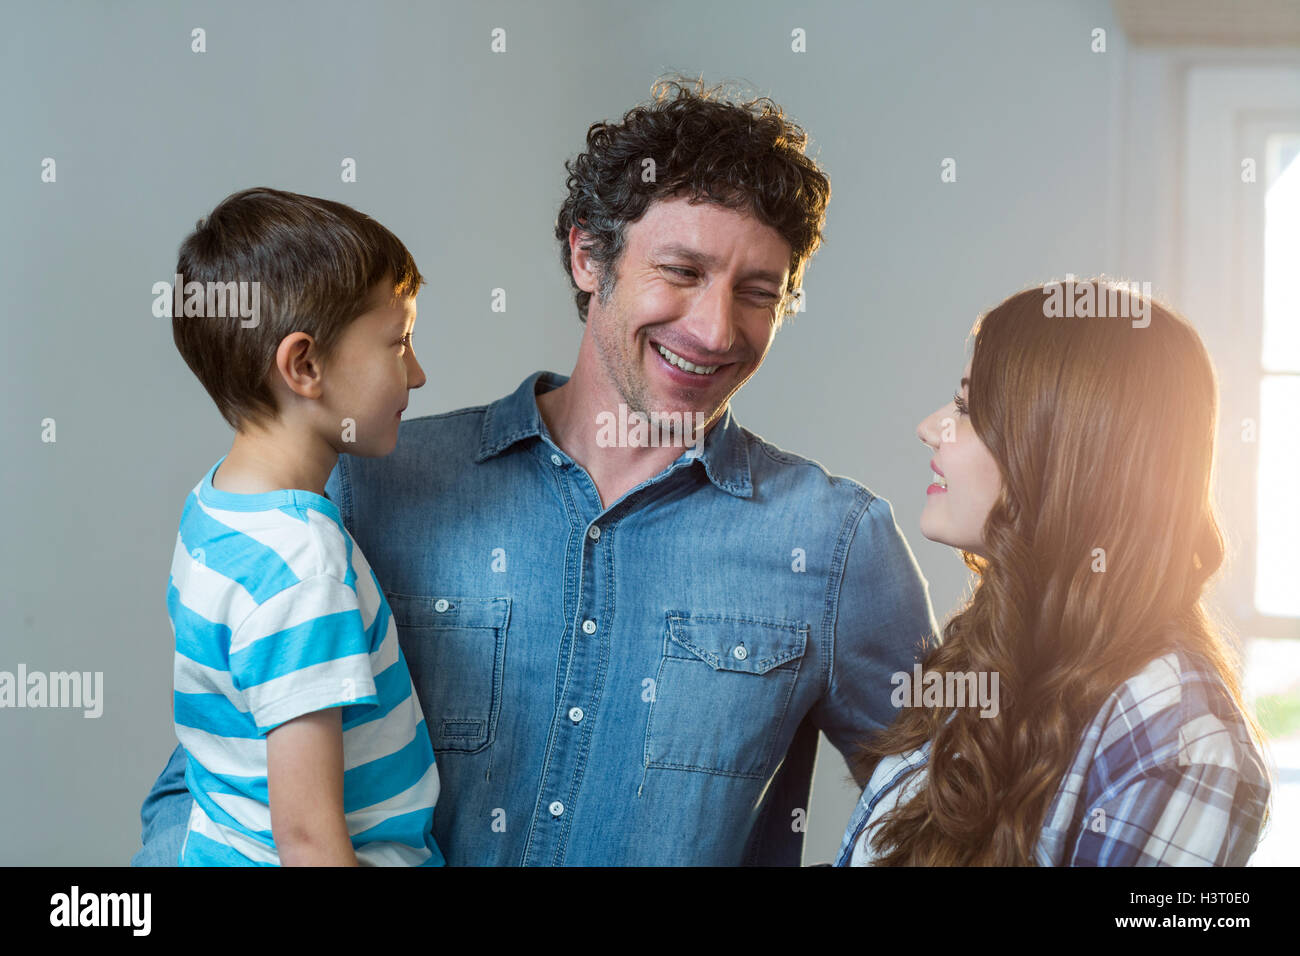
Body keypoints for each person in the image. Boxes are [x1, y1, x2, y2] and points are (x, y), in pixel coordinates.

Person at [133, 77, 940, 866]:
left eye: (758, 292)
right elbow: (212, 788)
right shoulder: (368, 486)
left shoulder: (837, 546)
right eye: (683, 273)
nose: (714, 328)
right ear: (589, 256)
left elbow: (948, 818)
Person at [837, 279, 1273, 866]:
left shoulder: (1180, 739)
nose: (930, 426)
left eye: (967, 408)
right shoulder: (995, 650)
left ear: (1063, 449)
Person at [164, 188, 442, 865]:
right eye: (397, 343)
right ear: (305, 366)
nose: (418, 373)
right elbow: (310, 840)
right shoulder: (304, 566)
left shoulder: (215, 505)